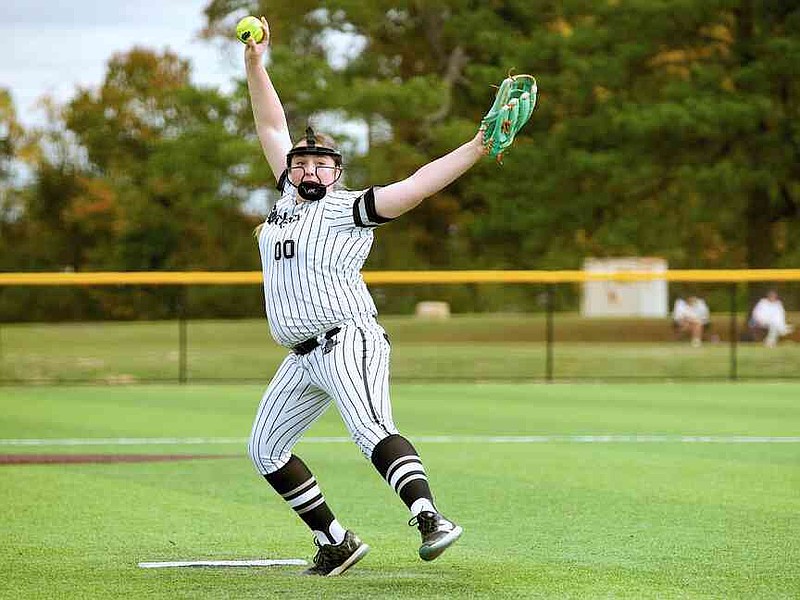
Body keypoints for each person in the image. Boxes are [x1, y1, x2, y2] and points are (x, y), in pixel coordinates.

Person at [243, 16, 486, 576]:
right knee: (265, 449)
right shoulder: (283, 206)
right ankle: (336, 540)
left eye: (321, 162)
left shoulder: (346, 208)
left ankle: (431, 518)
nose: (308, 166)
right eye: (301, 161)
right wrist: (256, 63)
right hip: (301, 355)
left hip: (346, 338)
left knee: (370, 428)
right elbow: (269, 121)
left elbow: (417, 185)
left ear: (336, 173)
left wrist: (475, 146)